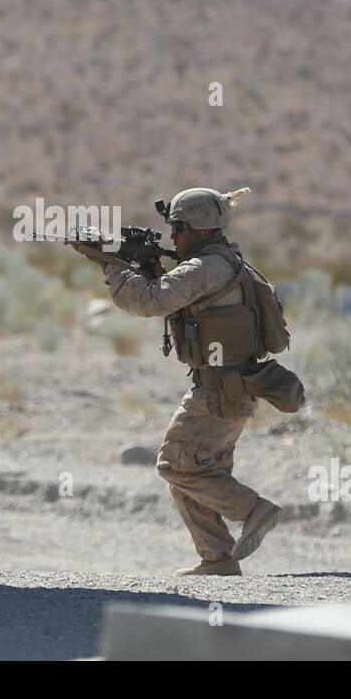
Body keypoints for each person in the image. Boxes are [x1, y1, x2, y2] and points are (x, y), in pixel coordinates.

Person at [72, 187, 289, 576]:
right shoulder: (222, 262)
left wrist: (111, 266)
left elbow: (151, 301)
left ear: (195, 227)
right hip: (231, 386)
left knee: (177, 466)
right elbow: (175, 295)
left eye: (177, 228)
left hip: (218, 390)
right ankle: (217, 558)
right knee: (196, 472)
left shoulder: (204, 267)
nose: (173, 238)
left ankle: (254, 511)